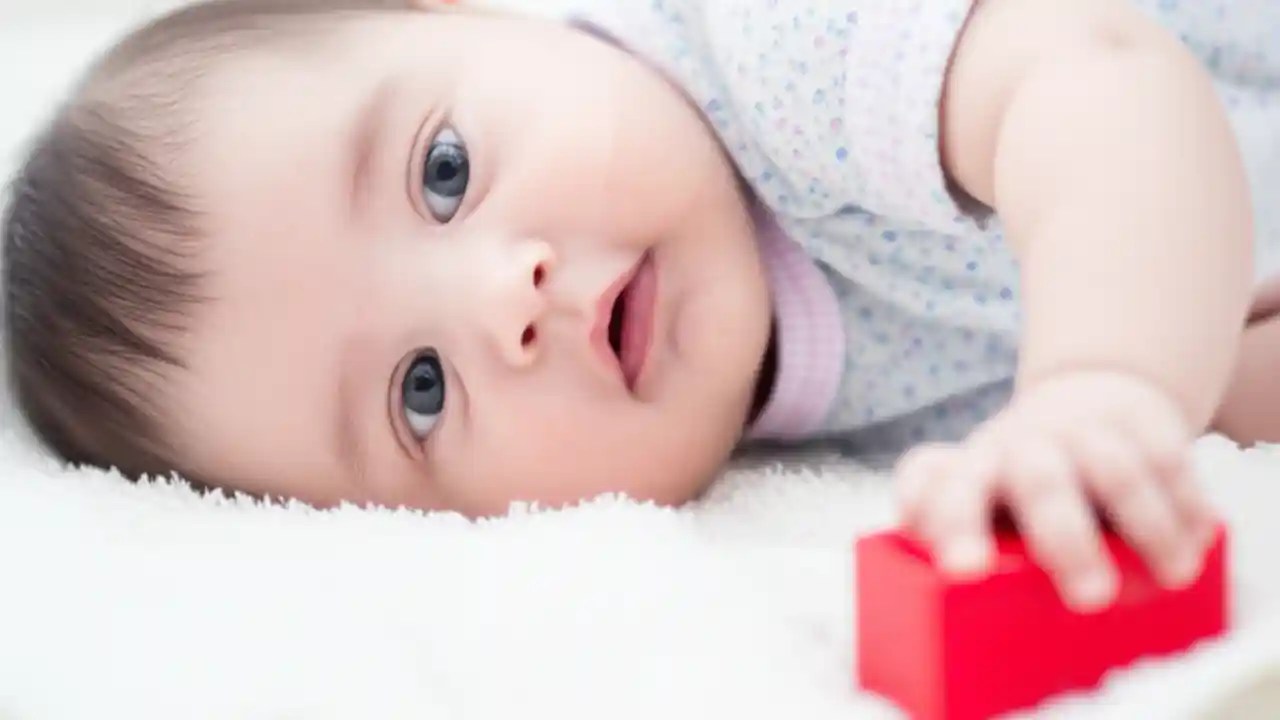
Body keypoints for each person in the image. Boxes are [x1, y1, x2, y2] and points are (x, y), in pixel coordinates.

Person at [4, 0, 1278, 610]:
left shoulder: (770, 51)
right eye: (419, 393)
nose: (505, 303)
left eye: (441, 174)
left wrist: (1099, 387)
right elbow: (1219, 366)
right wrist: (1144, 426)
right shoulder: (788, 421)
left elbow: (1101, 87)